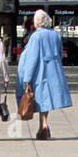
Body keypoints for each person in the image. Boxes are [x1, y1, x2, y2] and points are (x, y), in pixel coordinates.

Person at [16, 8, 72, 141]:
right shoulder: (55, 34)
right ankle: (43, 127)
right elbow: (59, 53)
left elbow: (32, 58)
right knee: (45, 100)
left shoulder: (36, 36)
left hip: (40, 71)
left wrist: (27, 78)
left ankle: (44, 126)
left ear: (36, 23)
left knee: (41, 98)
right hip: (53, 70)